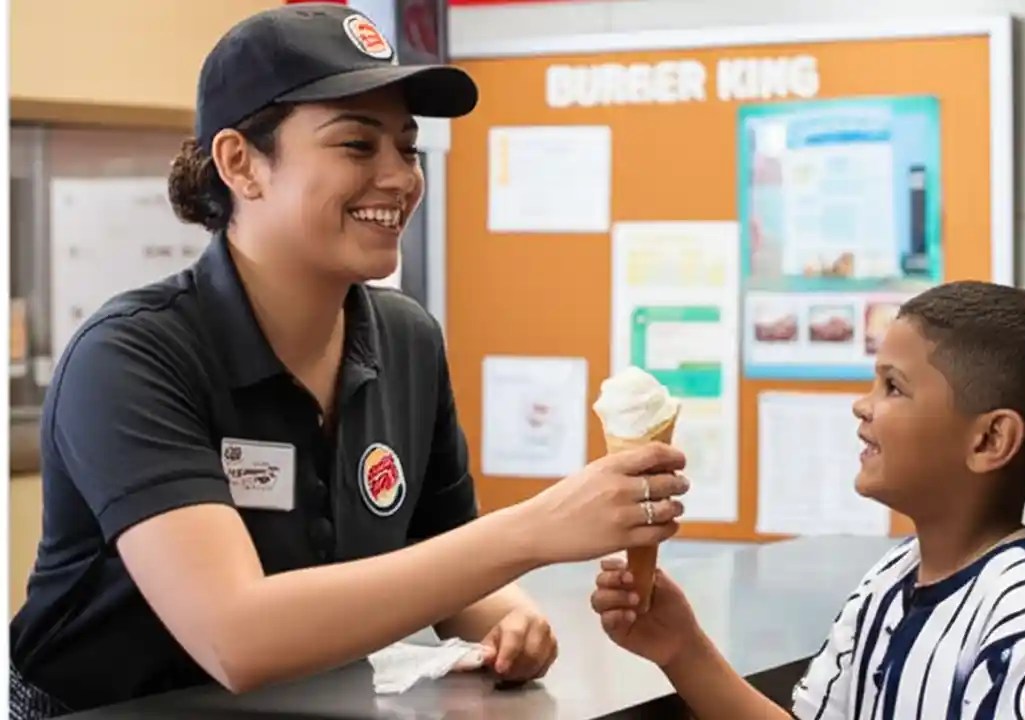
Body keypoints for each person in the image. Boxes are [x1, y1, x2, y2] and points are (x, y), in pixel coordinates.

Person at [9, 4, 689, 717]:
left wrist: (508, 617)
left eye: (408, 146)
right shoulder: (129, 357)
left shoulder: (407, 340)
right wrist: (536, 529)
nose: (400, 178)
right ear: (241, 163)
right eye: (358, 147)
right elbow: (237, 636)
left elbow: (447, 553)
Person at [591, 281, 1025, 720]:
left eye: (893, 388)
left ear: (990, 441)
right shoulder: (889, 581)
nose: (863, 405)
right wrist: (682, 648)